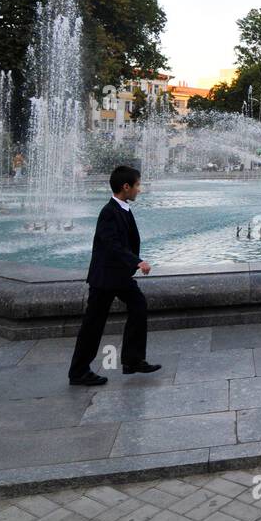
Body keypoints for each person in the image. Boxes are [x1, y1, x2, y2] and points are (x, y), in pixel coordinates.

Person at [67, 165, 161, 386]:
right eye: (137, 185)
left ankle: (133, 360)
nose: (140, 189)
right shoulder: (109, 211)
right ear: (125, 187)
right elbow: (112, 245)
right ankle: (79, 371)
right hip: (105, 278)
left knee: (138, 306)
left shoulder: (122, 208)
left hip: (118, 276)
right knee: (93, 324)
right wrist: (137, 261)